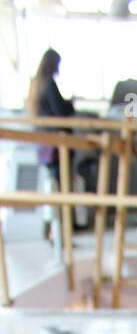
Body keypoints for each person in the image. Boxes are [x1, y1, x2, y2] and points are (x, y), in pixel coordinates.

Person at [27, 49, 74, 242]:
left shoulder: (36, 85)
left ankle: (52, 233)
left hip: (45, 145)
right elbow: (61, 113)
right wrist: (70, 104)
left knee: (54, 190)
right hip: (56, 146)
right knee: (60, 190)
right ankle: (59, 237)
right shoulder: (49, 85)